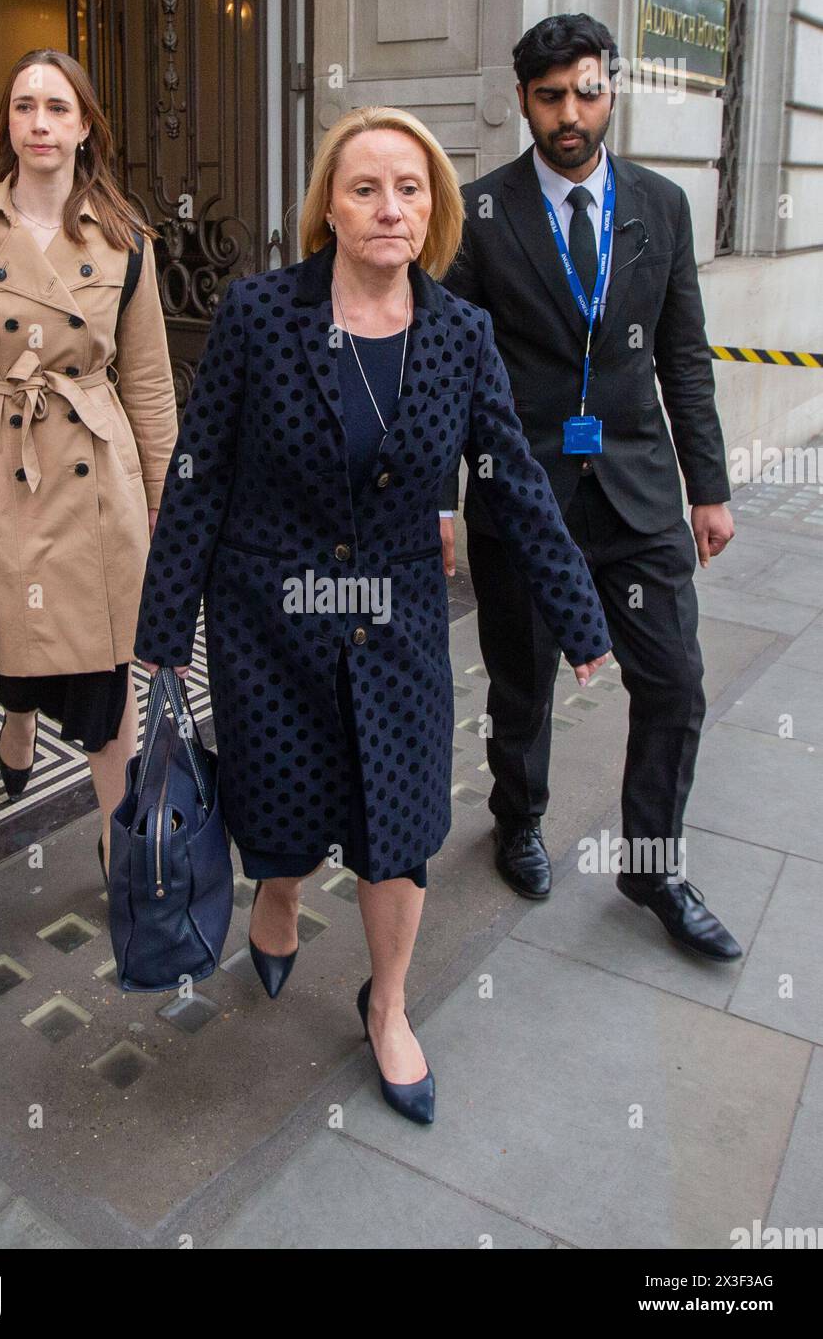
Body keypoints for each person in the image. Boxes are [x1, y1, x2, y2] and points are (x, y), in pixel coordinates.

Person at [135, 105, 611, 1125]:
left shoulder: (460, 333)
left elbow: (515, 482)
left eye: (410, 188)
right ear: (330, 208)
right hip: (273, 623)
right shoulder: (260, 314)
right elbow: (198, 472)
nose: (390, 207)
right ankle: (277, 891)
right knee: (284, 815)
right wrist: (164, 628)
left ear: (432, 208)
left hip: (396, 626)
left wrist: (579, 613)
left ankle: (387, 1003)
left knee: (399, 830)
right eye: (365, 188)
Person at [441, 14, 741, 960]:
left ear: (610, 89)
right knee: (520, 686)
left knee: (675, 682)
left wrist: (709, 487)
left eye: (585, 91)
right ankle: (518, 820)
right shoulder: (481, 215)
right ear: (521, 102)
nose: (569, 114)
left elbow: (683, 356)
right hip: (522, 500)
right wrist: (442, 501)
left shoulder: (660, 205)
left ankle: (651, 865)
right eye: (548, 96)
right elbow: (448, 370)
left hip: (638, 492)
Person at [0, 48, 177, 883]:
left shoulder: (128, 240)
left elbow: (153, 384)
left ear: (85, 125)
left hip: (97, 466)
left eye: (58, 107)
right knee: (14, 645)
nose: (40, 123)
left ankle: (115, 840)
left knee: (106, 667)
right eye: (24, 107)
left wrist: (167, 504)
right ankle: (15, 717)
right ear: (7, 125)